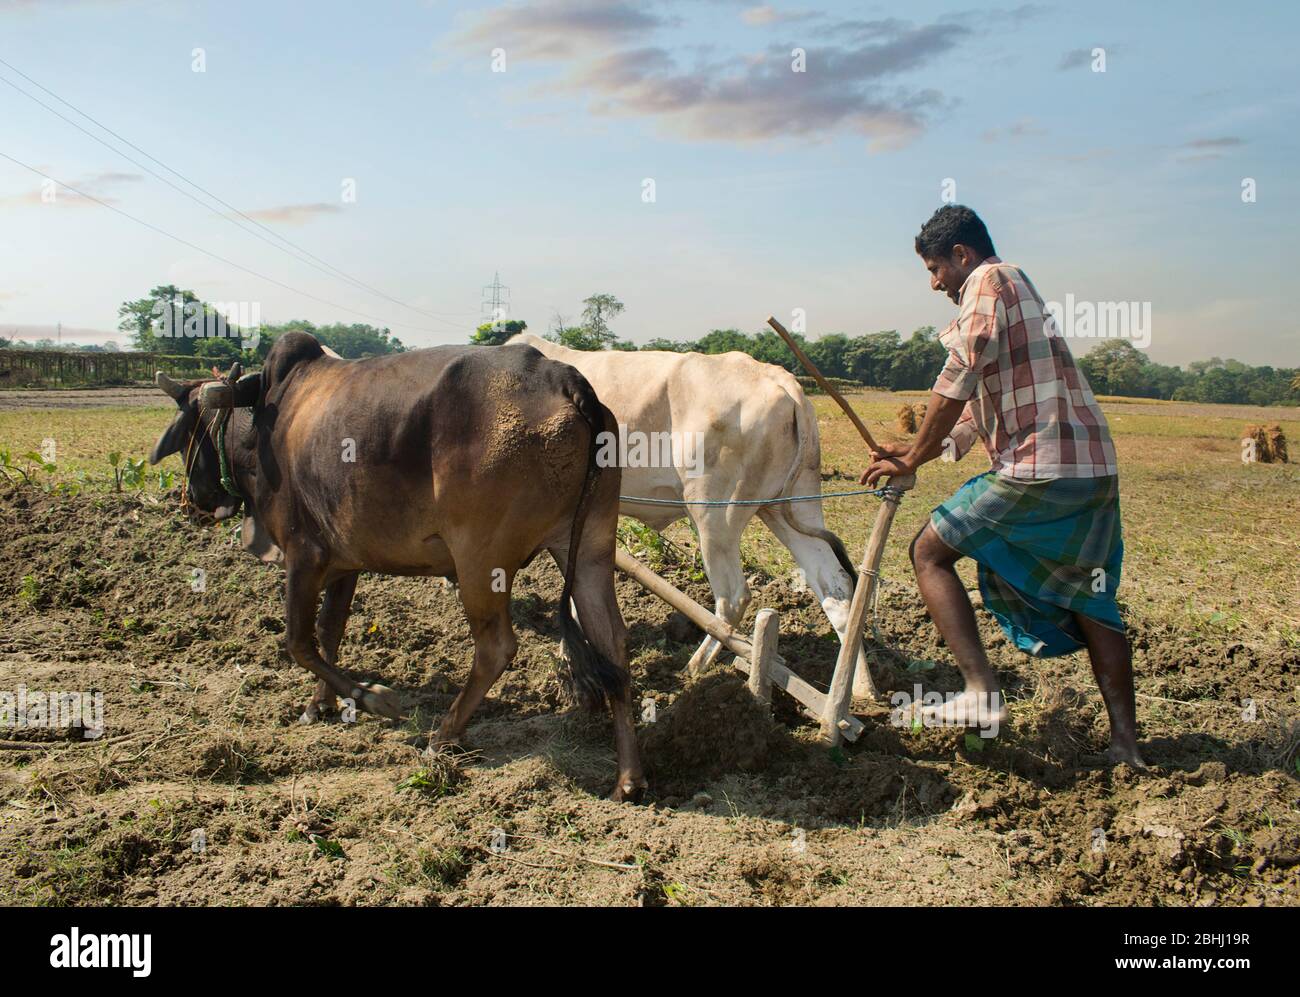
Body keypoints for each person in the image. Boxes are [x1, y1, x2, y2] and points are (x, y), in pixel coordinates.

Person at [861, 204, 1146, 768]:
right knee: (1089, 594)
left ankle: (981, 694)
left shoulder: (988, 280)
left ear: (961, 255)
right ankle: (1126, 745)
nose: (933, 282)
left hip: (1038, 468)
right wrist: (927, 445)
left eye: (934, 268)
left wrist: (913, 458)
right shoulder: (1019, 288)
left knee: (929, 551)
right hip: (1089, 469)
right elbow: (980, 403)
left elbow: (960, 372)